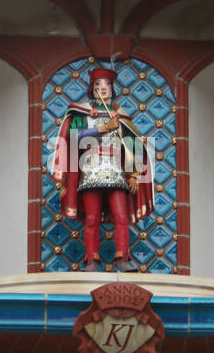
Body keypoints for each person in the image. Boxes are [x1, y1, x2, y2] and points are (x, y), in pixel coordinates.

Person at [49, 65, 154, 271]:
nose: (103, 88)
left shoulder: (120, 116)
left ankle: (122, 258)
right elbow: (73, 138)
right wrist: (102, 128)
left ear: (113, 89)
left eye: (107, 84)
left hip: (115, 171)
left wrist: (133, 174)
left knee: (121, 216)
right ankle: (91, 260)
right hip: (90, 171)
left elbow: (132, 145)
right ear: (92, 88)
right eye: (98, 84)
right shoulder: (81, 114)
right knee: (91, 217)